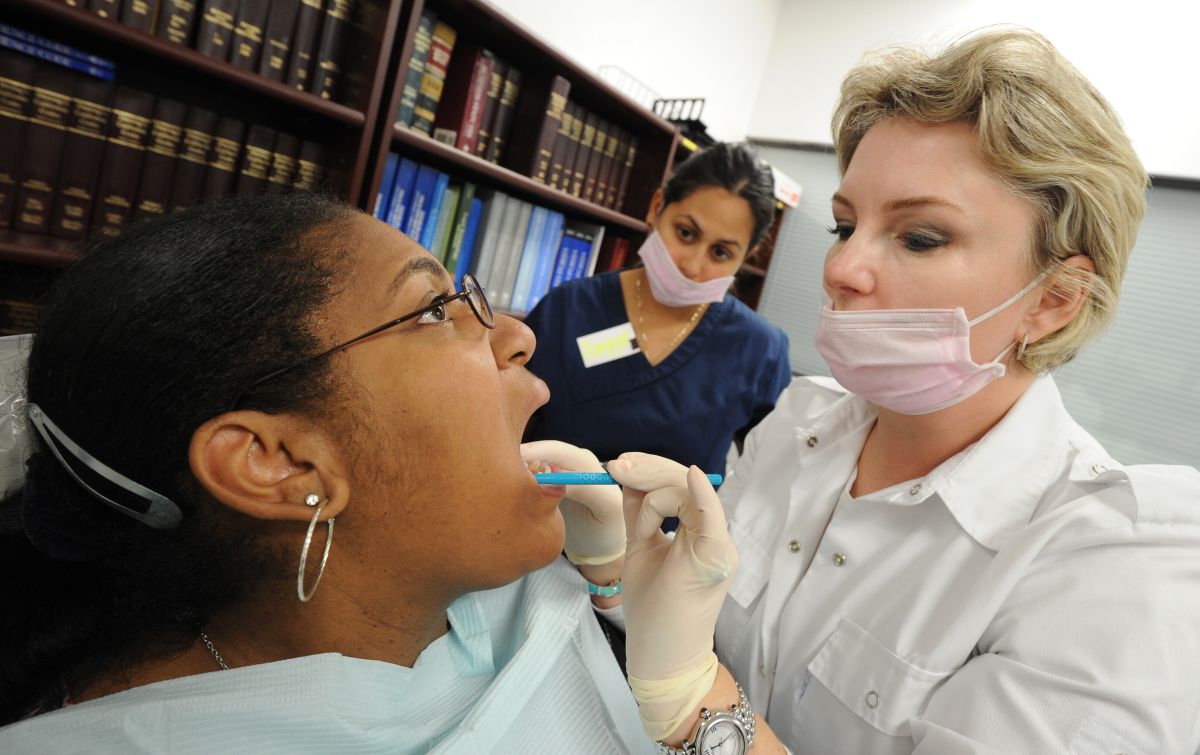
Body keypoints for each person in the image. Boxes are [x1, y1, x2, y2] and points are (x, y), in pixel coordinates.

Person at [0, 193, 657, 753]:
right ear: (279, 463)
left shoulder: (543, 600)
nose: (517, 333)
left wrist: (631, 611)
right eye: (433, 309)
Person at [697, 28, 1200, 753]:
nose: (842, 268)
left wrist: (694, 703)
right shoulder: (798, 422)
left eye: (921, 237)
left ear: (1054, 297)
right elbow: (691, 620)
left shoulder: (1112, 564)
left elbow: (684, 670)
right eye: (845, 225)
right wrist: (622, 576)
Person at [522, 143, 792, 499]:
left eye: (721, 253)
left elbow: (773, 474)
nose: (693, 266)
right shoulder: (569, 308)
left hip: (671, 548)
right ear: (656, 207)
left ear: (747, 257)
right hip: (548, 532)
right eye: (686, 233)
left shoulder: (759, 349)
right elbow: (506, 430)